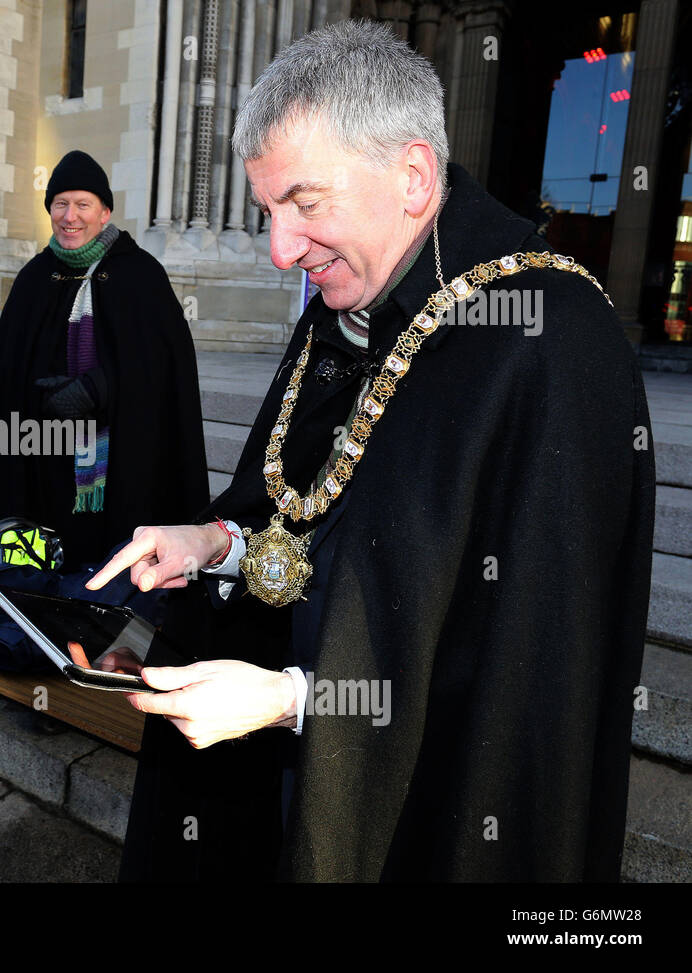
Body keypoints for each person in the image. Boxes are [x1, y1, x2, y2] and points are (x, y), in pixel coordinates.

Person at [86, 20, 655, 881]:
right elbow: (324, 522)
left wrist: (288, 701)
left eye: (305, 205)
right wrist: (220, 543)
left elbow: (519, 684)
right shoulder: (349, 295)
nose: (281, 251)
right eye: (268, 212)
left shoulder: (550, 341)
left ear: (414, 176)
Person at [0, 150, 209, 569]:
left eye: (83, 204)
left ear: (105, 212)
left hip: (117, 470)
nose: (70, 216)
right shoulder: (34, 278)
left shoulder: (140, 275)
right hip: (38, 458)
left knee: (103, 570)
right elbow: (5, 375)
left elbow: (164, 370)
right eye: (60, 204)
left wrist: (100, 387)